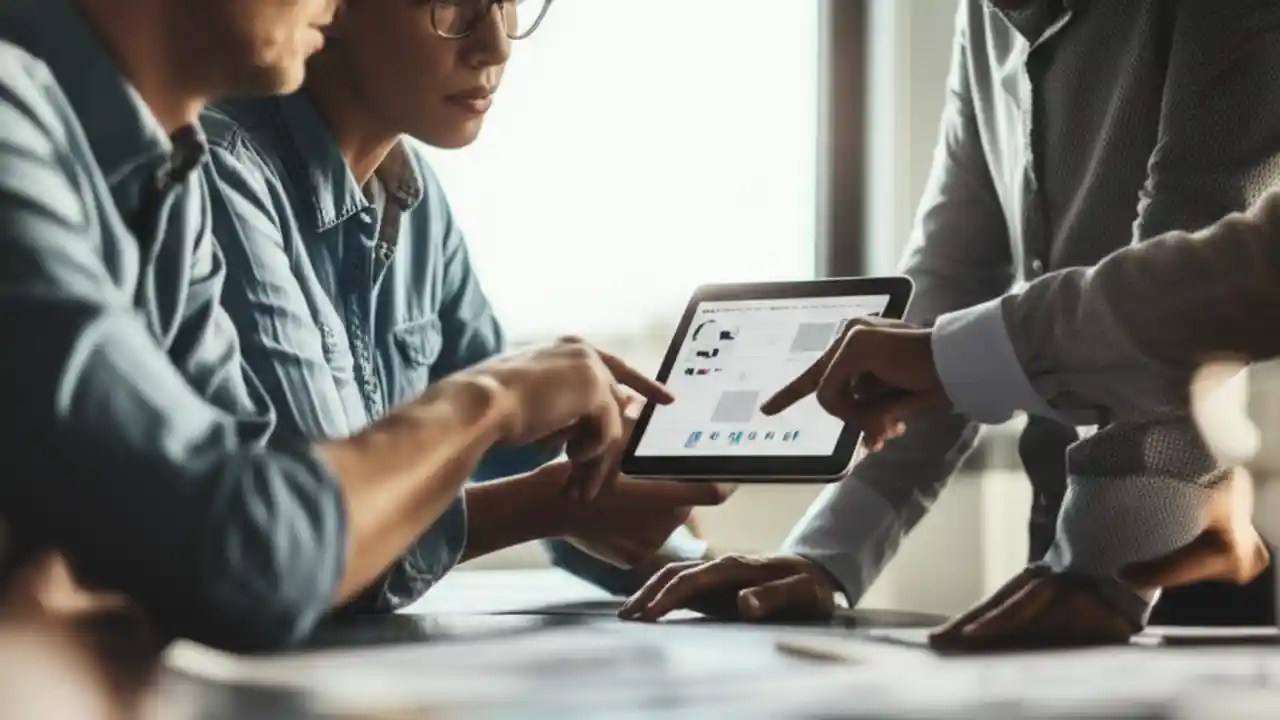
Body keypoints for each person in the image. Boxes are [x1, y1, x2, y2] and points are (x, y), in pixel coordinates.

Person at [0, 0, 669, 652]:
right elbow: (256, 550)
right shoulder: (189, 159)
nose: (496, 46)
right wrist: (493, 408)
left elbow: (268, 512)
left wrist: (681, 547)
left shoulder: (172, 164)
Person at [619, 0, 1280, 628]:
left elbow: (1197, 299)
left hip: (1210, 534)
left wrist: (1104, 568)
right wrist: (824, 555)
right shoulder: (986, 18)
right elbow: (946, 297)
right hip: (1069, 530)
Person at [202, 0, 731, 610]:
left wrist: (698, 567)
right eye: (454, 5)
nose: (497, 46)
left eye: (510, 4)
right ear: (333, 7)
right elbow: (313, 541)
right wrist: (552, 503)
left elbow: (520, 455)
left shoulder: (414, 203)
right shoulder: (220, 174)